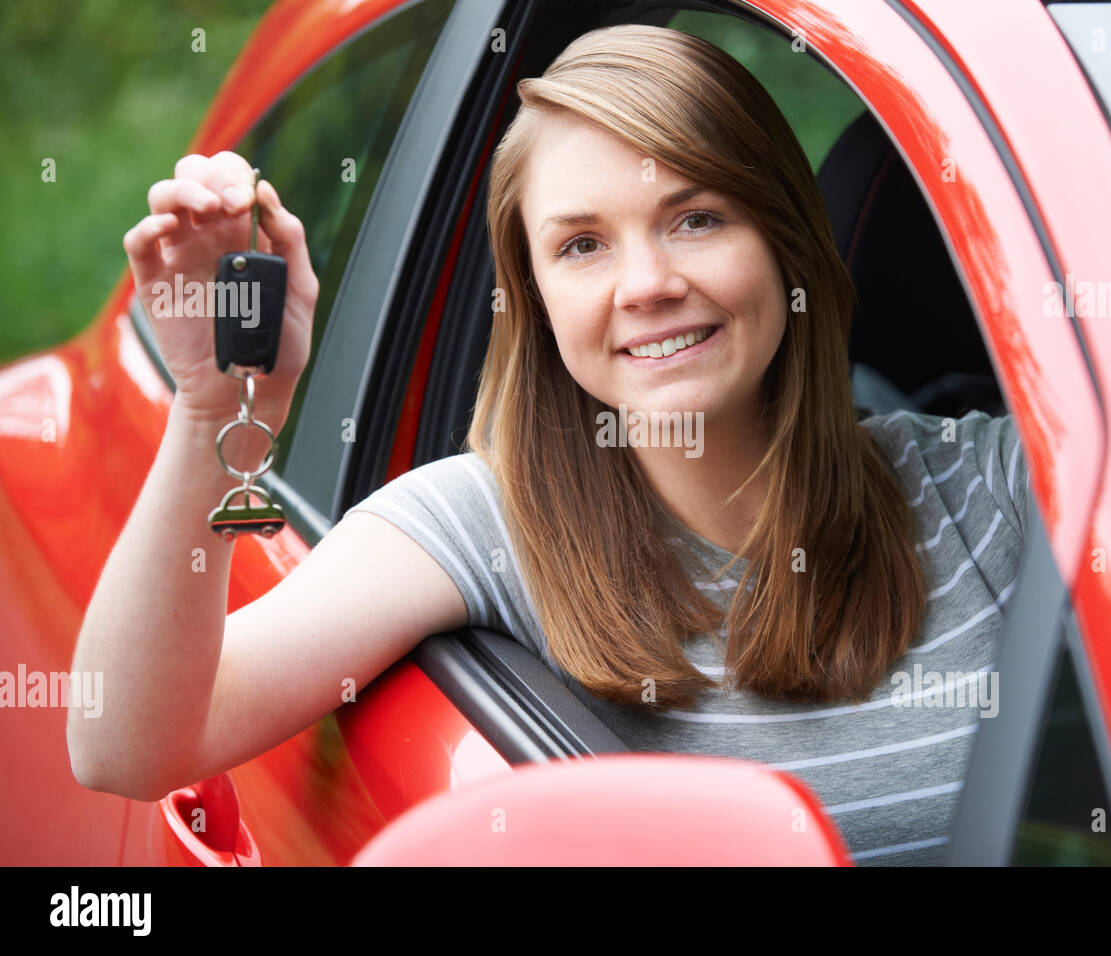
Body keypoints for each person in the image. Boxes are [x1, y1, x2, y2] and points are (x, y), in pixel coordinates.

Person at [70, 24, 1031, 866]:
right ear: (533, 300)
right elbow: (129, 745)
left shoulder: (980, 483)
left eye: (696, 218)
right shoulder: (483, 526)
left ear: (786, 243)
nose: (647, 282)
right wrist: (213, 412)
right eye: (583, 245)